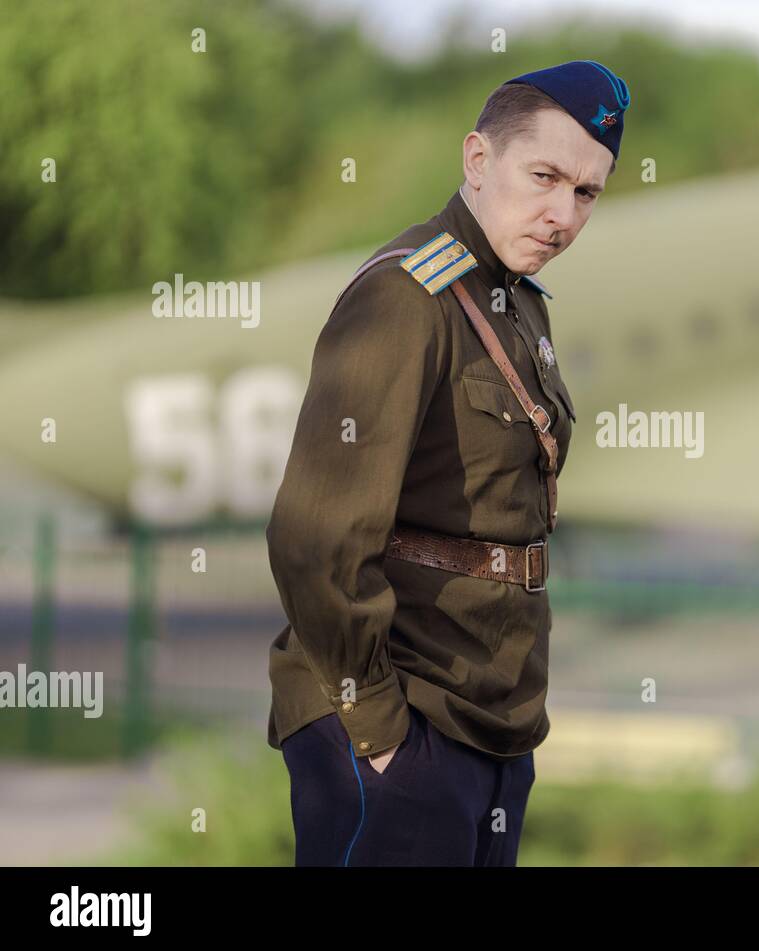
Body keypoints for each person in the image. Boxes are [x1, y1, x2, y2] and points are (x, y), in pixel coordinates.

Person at [264, 60, 630, 866]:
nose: (561, 214)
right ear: (476, 160)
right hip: (401, 723)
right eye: (544, 176)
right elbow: (316, 536)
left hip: (491, 723)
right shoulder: (407, 295)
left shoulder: (516, 300)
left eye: (586, 193)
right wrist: (381, 731)